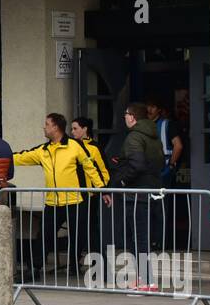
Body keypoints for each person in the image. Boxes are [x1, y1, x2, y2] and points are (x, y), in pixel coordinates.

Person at [12, 113, 104, 283]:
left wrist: (102, 190)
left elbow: (91, 168)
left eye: (47, 124)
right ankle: (35, 269)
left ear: (55, 127)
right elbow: (21, 157)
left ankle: (83, 267)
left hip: (75, 200)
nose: (44, 127)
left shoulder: (75, 146)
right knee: (44, 236)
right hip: (53, 201)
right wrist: (0, 156)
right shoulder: (43, 150)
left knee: (81, 235)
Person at [108, 103, 164, 280]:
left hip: (137, 194)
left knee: (137, 240)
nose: (124, 117)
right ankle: (145, 278)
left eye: (125, 114)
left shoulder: (134, 137)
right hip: (152, 191)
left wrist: (124, 179)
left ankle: (145, 279)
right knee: (143, 238)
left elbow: (137, 164)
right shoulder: (153, 136)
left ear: (132, 117)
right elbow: (159, 162)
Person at [70, 116, 112, 250]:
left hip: (89, 195)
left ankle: (97, 261)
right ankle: (74, 264)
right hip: (72, 195)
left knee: (91, 228)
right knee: (75, 229)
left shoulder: (94, 148)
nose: (72, 132)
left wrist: (100, 190)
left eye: (75, 128)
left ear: (85, 129)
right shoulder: (71, 146)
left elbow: (104, 171)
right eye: (72, 129)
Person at [146, 98, 184, 187]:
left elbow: (178, 146)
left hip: (163, 171)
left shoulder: (167, 124)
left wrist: (170, 165)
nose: (149, 109)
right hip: (148, 171)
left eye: (153, 106)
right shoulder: (143, 125)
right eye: (148, 106)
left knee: (161, 199)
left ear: (159, 109)